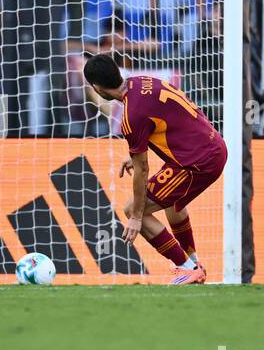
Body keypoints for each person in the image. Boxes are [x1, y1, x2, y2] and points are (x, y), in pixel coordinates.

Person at [82, 52, 227, 285]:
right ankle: (193, 264)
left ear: (97, 87)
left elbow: (142, 171)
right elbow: (167, 117)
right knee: (171, 203)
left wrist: (136, 217)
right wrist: (137, 154)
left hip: (198, 162)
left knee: (132, 208)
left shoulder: (131, 117)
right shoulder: (143, 81)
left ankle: (186, 268)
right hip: (211, 145)